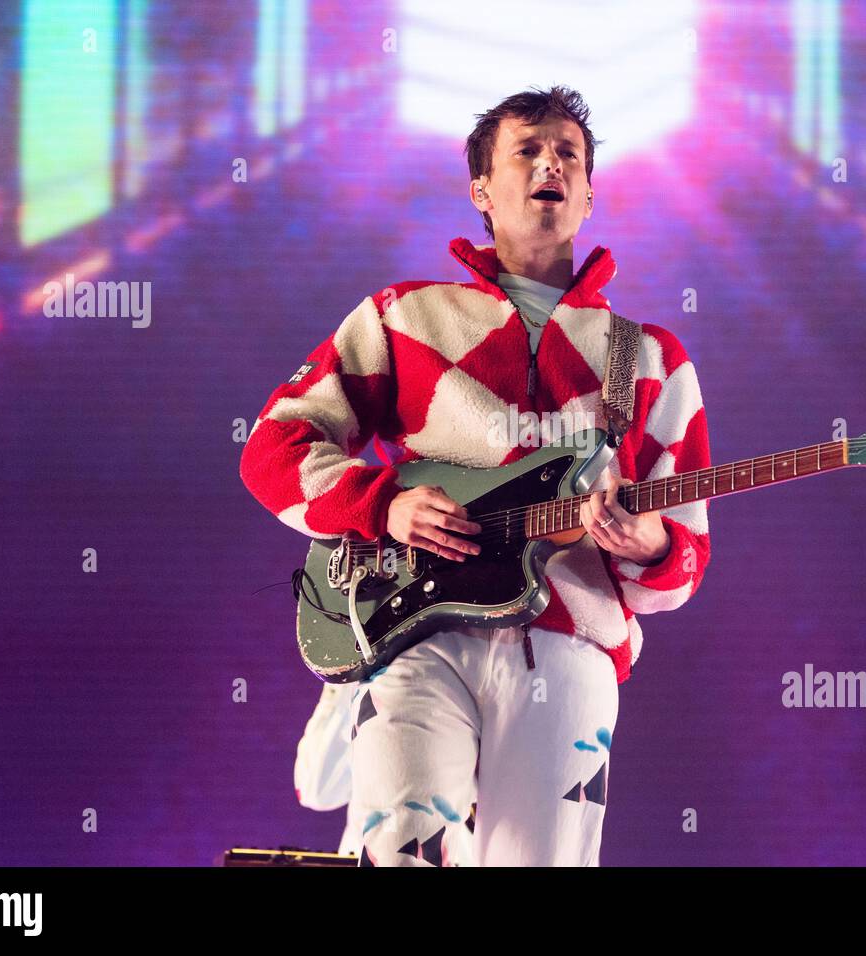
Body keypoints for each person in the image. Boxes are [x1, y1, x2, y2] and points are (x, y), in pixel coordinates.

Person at [240, 85, 712, 866]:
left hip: (570, 648)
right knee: (400, 850)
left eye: (569, 154)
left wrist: (649, 543)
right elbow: (272, 448)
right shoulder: (403, 317)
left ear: (589, 193)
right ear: (481, 191)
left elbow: (684, 567)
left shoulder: (652, 357)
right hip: (421, 635)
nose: (550, 163)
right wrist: (381, 504)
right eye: (527, 149)